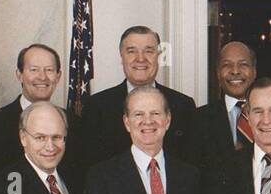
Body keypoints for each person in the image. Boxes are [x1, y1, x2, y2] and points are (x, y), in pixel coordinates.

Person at [75, 26, 195, 171]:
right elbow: (89, 169)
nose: (140, 58)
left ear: (158, 55)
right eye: (131, 51)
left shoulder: (183, 105)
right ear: (121, 56)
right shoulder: (97, 106)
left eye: (149, 51)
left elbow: (189, 166)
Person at [0, 43, 78, 179]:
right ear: (19, 75)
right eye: (34, 70)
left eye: (49, 70)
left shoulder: (73, 122)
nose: (42, 77)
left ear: (58, 76)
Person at [187, 40, 258, 169]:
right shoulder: (198, 119)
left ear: (254, 72)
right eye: (227, 65)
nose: (235, 71)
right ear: (218, 73)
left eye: (243, 64)